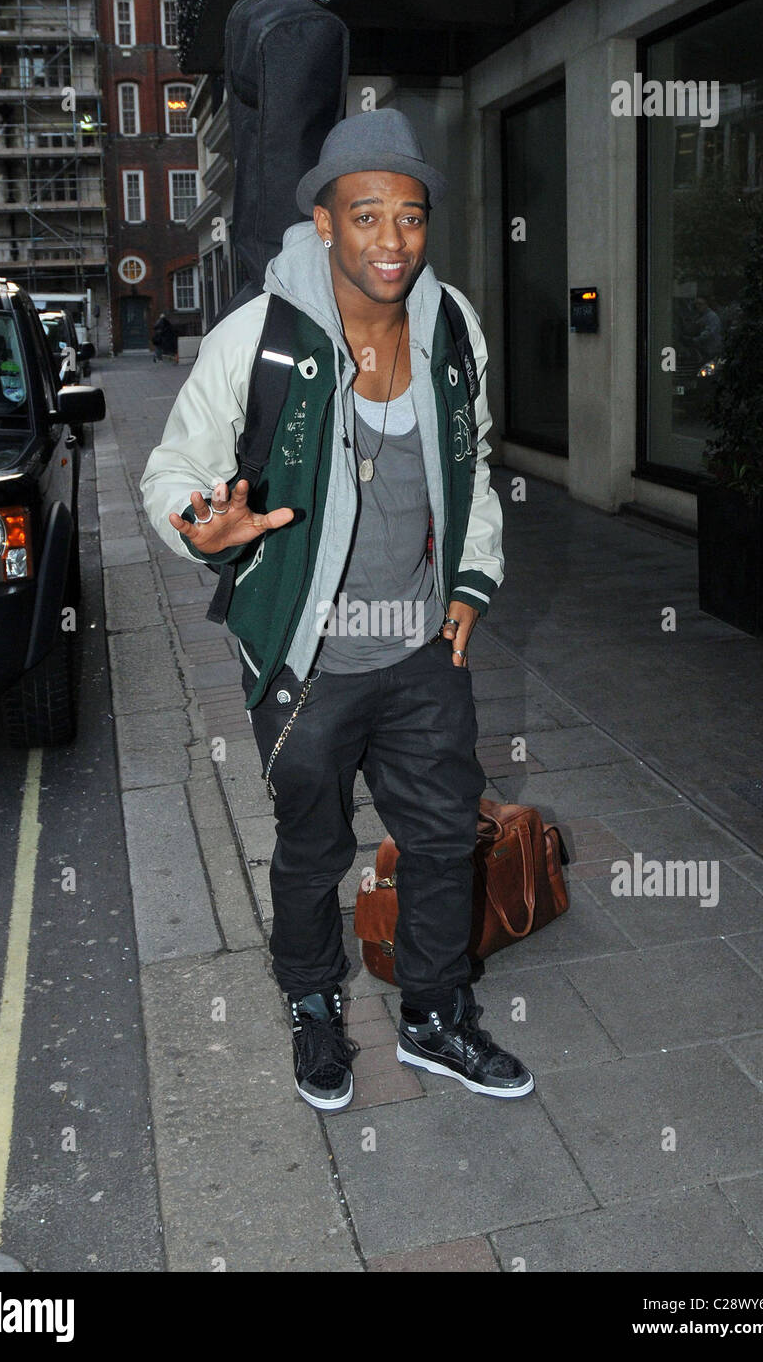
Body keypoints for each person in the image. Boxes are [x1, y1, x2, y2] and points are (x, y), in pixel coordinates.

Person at [140, 108, 534, 1110]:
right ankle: (315, 1008)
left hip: (418, 651)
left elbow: (472, 466)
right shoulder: (259, 339)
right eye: (367, 216)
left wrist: (471, 583)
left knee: (446, 838)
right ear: (325, 222)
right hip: (306, 659)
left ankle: (435, 1015)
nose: (393, 240)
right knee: (314, 848)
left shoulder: (453, 328)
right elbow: (173, 470)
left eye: (410, 216)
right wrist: (204, 524)